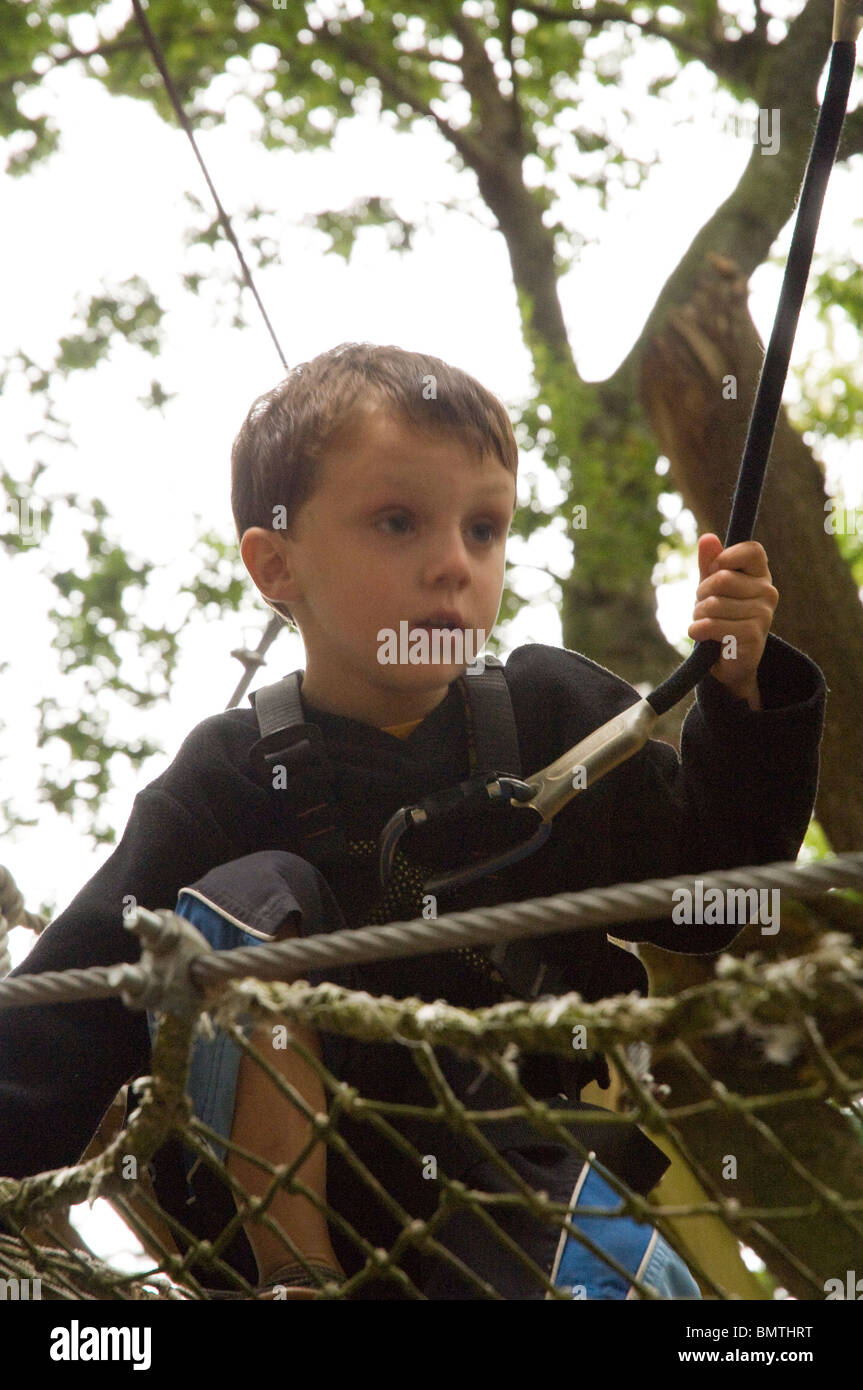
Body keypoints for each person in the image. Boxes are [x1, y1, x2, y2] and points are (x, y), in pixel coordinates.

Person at [0, 344, 825, 1301]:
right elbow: (69, 1011)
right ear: (276, 564)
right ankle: (297, 1282)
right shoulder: (229, 776)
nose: (452, 566)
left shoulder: (548, 721)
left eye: (484, 530)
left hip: (518, 1182)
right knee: (238, 896)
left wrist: (741, 695)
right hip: (281, 1209)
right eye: (397, 523)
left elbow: (716, 899)